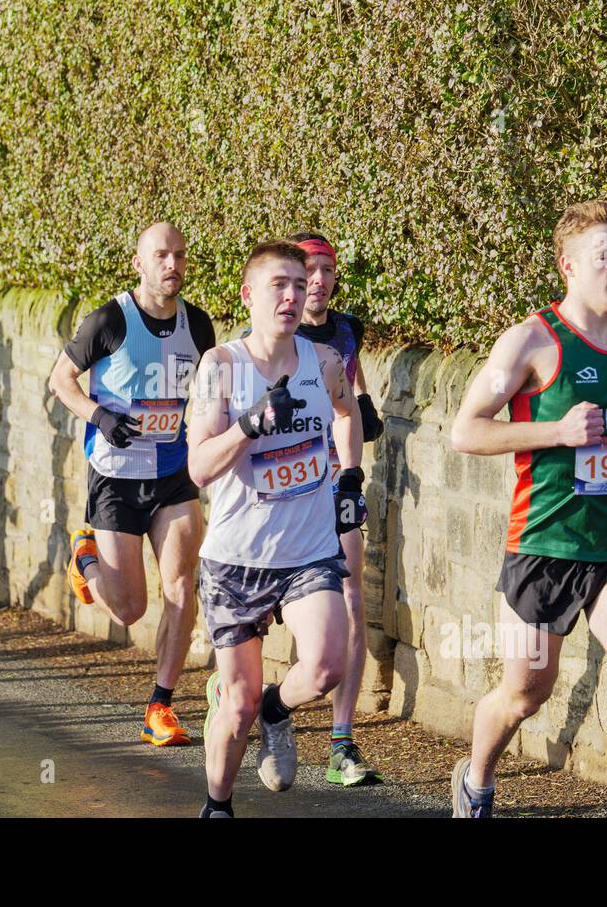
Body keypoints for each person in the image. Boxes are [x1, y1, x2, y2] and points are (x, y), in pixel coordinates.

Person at [448, 199, 607, 818]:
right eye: (604, 257)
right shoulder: (531, 342)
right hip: (544, 544)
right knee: (526, 693)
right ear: (568, 267)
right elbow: (465, 432)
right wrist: (557, 433)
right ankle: (476, 777)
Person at [186, 239, 365, 817]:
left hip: (309, 551)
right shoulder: (222, 367)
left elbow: (347, 411)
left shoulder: (325, 363)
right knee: (232, 709)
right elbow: (198, 466)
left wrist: (351, 478)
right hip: (236, 560)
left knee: (325, 665)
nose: (292, 295)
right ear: (249, 296)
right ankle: (218, 804)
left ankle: (277, 709)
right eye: (278, 286)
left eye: (299, 282)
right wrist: (250, 425)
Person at [49, 222, 215, 747]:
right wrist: (99, 416)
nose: (173, 265)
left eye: (180, 256)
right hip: (117, 477)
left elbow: (210, 396)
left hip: (172, 473)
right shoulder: (109, 320)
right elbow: (59, 381)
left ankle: (160, 706)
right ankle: (86, 556)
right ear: (139, 263)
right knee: (129, 609)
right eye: (161, 256)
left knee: (182, 586)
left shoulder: (200, 327)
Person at [282, 231, 387, 787]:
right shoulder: (277, 332)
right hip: (281, 487)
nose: (317, 281)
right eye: (308, 271)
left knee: (351, 597)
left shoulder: (347, 329)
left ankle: (341, 744)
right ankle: (242, 689)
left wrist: (362, 405)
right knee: (266, 603)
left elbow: (351, 376)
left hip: (335, 479)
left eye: (326, 270)